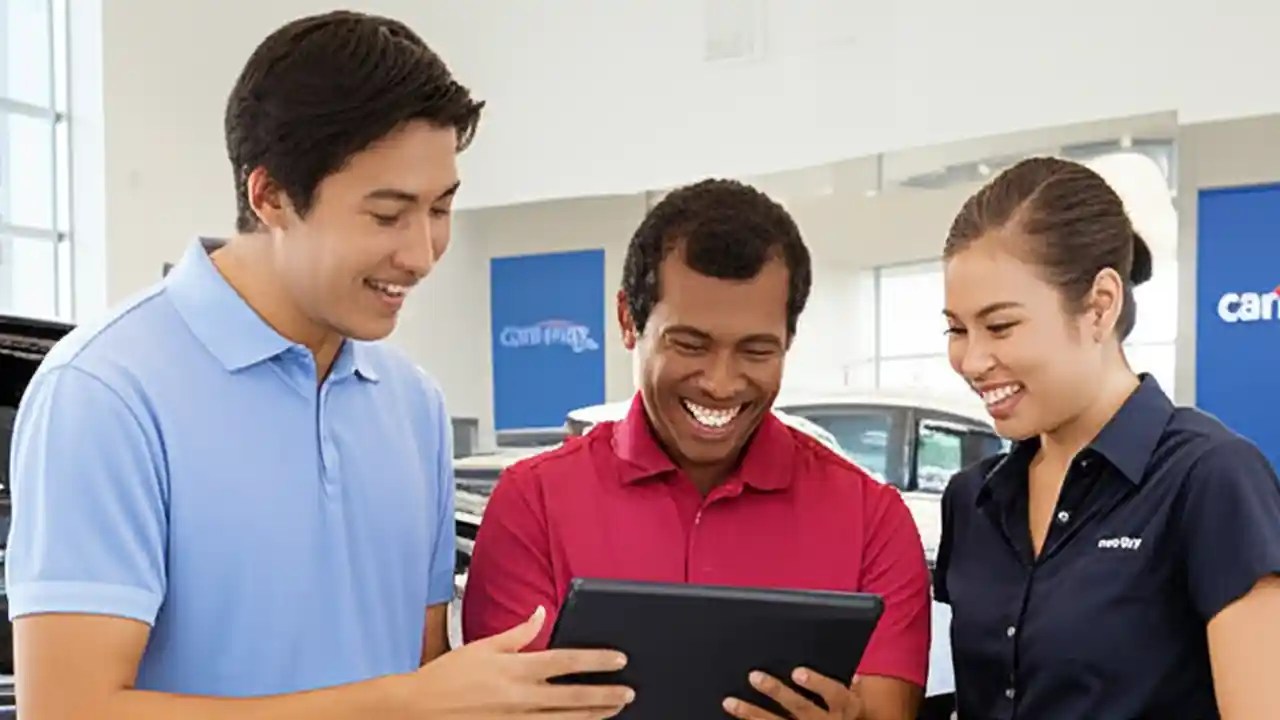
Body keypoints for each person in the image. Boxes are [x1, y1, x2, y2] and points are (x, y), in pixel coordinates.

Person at [6, 11, 635, 719]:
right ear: (270, 195)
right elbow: (68, 710)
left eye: (441, 208)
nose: (423, 254)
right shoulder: (104, 393)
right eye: (387, 213)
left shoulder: (411, 405)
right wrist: (406, 702)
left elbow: (423, 678)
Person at [463, 179, 931, 720]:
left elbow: (886, 712)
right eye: (690, 345)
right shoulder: (532, 505)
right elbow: (497, 710)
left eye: (756, 350)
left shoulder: (873, 521)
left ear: (788, 341)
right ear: (628, 321)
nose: (721, 383)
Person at [933, 157, 1280, 719]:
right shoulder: (972, 501)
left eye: (1000, 327)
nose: (971, 360)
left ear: (1099, 306)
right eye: (956, 329)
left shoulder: (1210, 480)